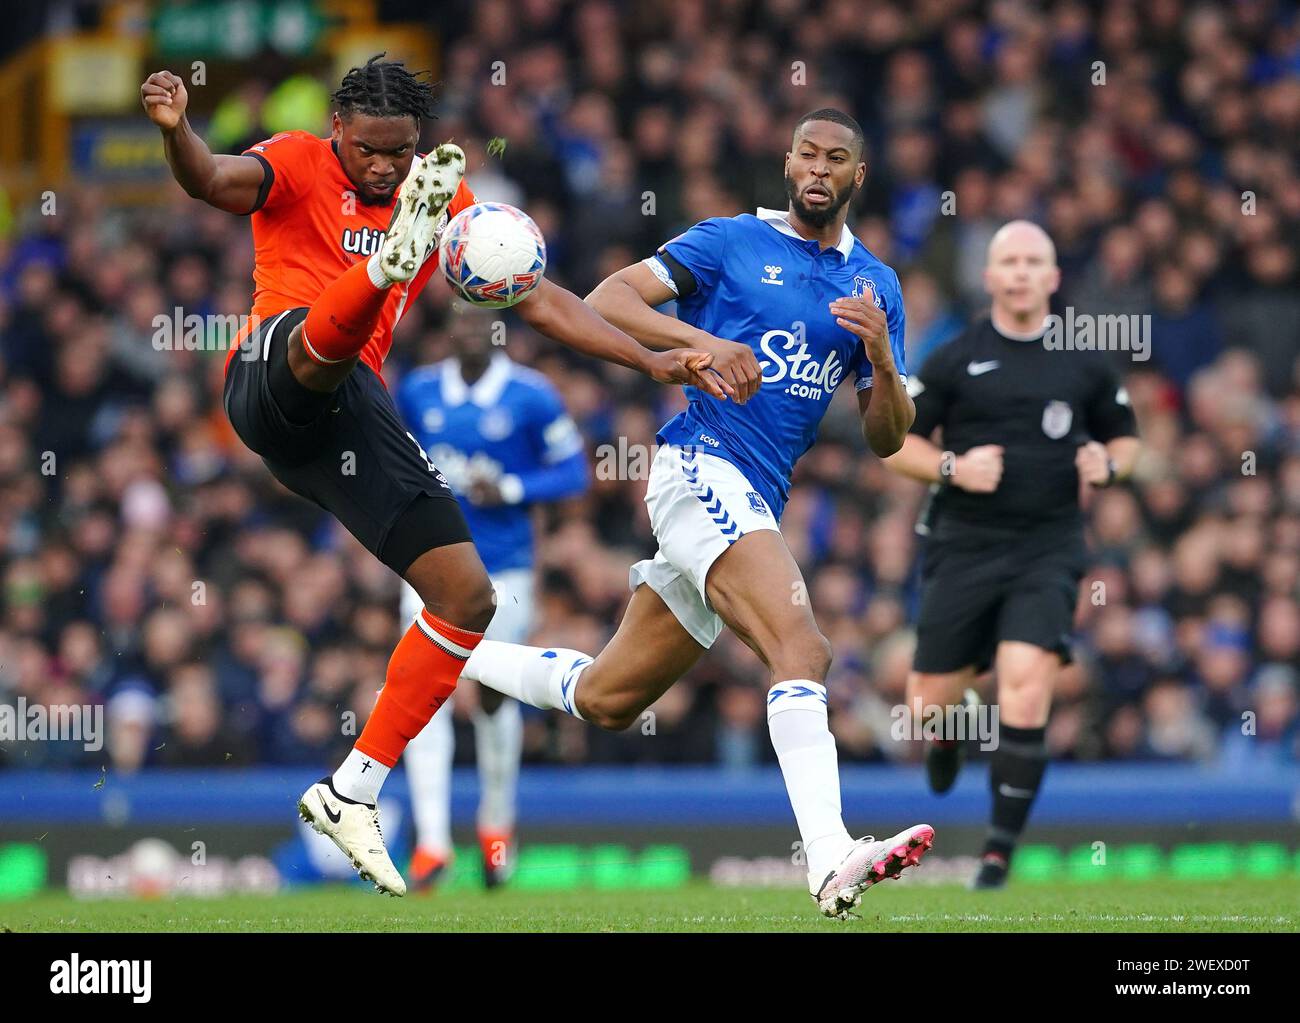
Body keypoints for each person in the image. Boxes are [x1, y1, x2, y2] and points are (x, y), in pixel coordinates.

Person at [141, 55, 734, 896]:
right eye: (370, 150)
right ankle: (379, 274)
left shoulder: (446, 201)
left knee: (467, 597)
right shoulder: (295, 161)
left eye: (401, 151)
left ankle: (353, 791)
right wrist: (178, 134)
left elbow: (541, 298)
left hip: (351, 412)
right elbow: (208, 180)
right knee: (320, 344)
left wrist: (650, 357)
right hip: (271, 372)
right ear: (338, 130)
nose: (385, 166)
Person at [460, 109, 935, 919]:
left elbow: (889, 440)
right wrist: (701, 345)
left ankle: (450, 656)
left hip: (756, 498)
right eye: (808, 155)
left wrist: (886, 361)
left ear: (859, 176)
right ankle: (829, 856)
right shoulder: (729, 241)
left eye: (837, 159)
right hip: (697, 467)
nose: (819, 169)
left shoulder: (876, 287)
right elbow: (613, 297)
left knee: (609, 699)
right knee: (803, 645)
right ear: (788, 165)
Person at [882, 221, 1140, 888]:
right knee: (927, 704)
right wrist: (952, 467)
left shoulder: (1084, 361)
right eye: (1009, 261)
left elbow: (1126, 439)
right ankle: (945, 735)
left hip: (1046, 547)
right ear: (990, 276)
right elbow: (893, 442)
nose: (1022, 272)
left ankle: (997, 855)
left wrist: (1105, 465)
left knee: (1026, 687)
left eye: (1034, 261)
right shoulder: (953, 357)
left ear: (1053, 277)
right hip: (962, 545)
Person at [396, 303, 589, 890]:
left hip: (504, 573)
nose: (467, 330)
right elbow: (394, 460)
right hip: (429, 566)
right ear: (446, 330)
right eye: (456, 320)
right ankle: (431, 844)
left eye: (479, 321)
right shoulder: (418, 390)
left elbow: (575, 471)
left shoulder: (531, 396)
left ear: (497, 329)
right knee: (421, 691)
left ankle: (495, 828)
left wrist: (508, 486)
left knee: (491, 697)